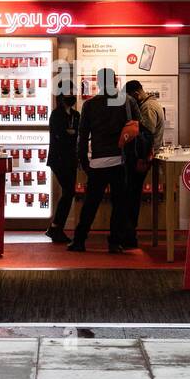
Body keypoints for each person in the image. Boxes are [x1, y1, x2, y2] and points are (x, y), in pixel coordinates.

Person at [68, 68, 138, 254]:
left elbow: (82, 136)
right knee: (119, 204)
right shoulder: (128, 102)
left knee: (90, 203)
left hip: (98, 162)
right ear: (115, 82)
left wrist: (83, 160)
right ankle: (115, 242)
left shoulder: (90, 105)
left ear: (98, 83)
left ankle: (79, 240)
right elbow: (137, 129)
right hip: (120, 161)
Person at [121, 80, 164, 250]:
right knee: (133, 194)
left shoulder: (146, 108)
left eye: (131, 98)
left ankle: (130, 234)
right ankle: (129, 233)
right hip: (144, 158)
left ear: (137, 94)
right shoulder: (153, 104)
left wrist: (138, 156)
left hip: (140, 159)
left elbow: (144, 137)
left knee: (132, 195)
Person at [44, 92, 80, 244]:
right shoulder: (56, 114)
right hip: (58, 159)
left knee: (69, 192)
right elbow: (59, 135)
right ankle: (55, 227)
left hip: (71, 158)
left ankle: (56, 227)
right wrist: (70, 135)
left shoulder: (76, 114)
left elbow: (78, 133)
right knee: (68, 192)